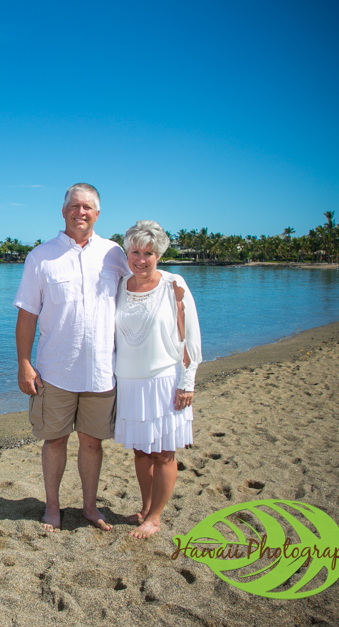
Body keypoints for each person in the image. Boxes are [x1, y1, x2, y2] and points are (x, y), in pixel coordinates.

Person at [14, 183, 131, 532]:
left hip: (101, 370)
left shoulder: (115, 254)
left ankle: (90, 507)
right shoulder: (41, 256)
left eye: (87, 207)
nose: (81, 212)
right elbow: (27, 315)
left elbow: (137, 297)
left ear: (98, 213)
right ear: (63, 211)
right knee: (55, 440)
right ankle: (52, 507)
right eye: (75, 206)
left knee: (93, 443)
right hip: (55, 369)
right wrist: (24, 364)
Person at [114, 220, 202, 539]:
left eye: (148, 253)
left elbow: (190, 335)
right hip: (129, 382)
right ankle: (145, 507)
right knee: (140, 451)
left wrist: (187, 382)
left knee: (164, 453)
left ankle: (155, 517)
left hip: (165, 380)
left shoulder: (173, 283)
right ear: (127, 253)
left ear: (159, 255)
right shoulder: (119, 285)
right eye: (135, 252)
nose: (141, 259)